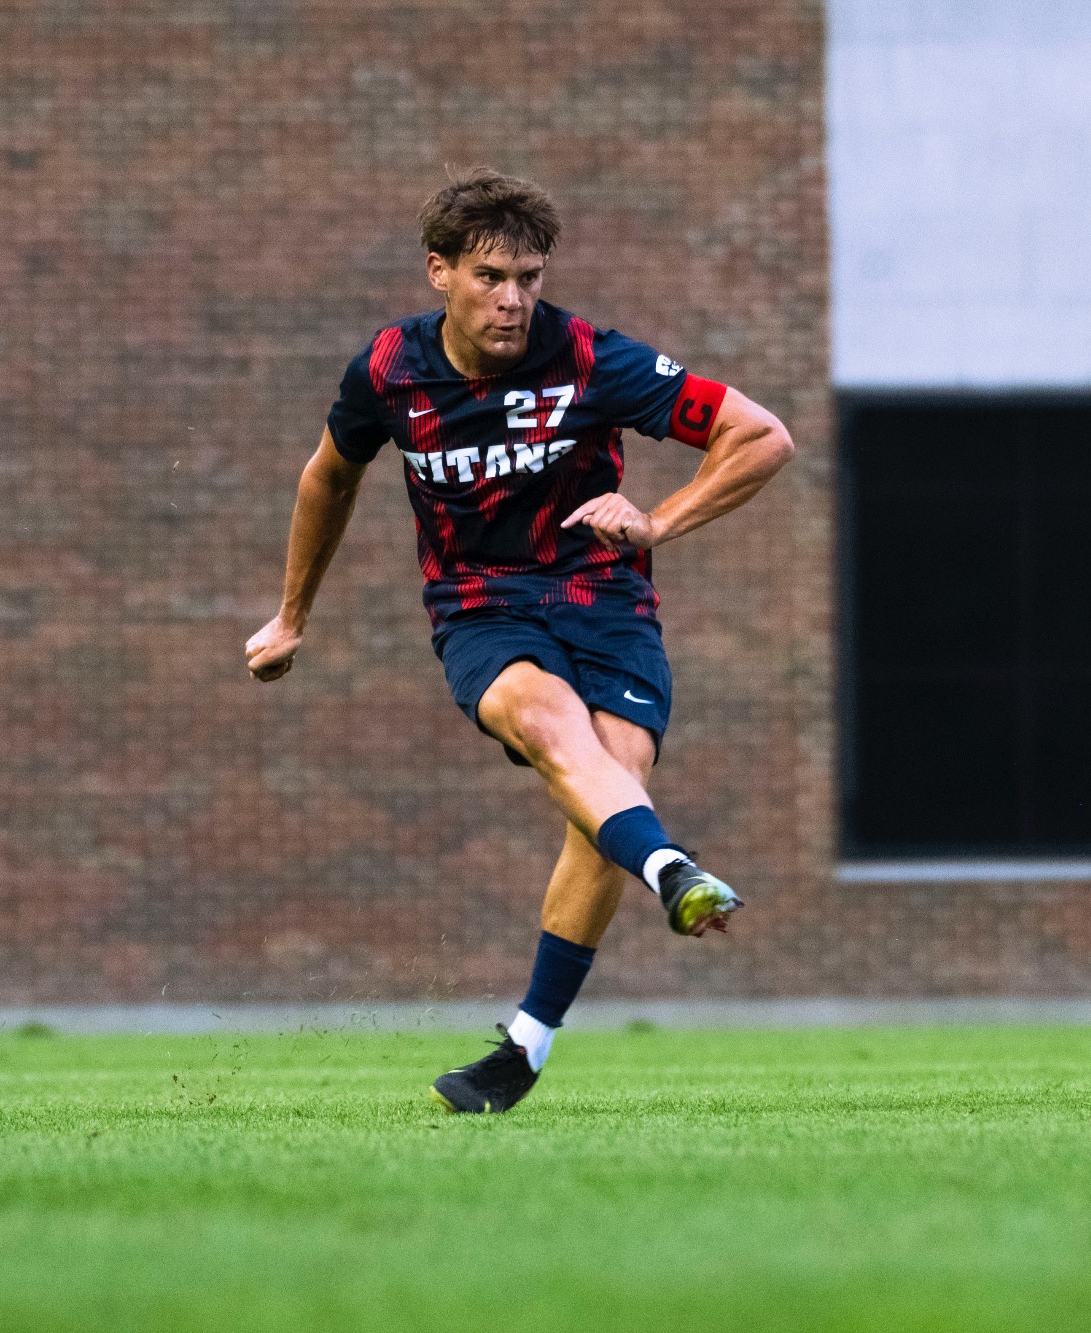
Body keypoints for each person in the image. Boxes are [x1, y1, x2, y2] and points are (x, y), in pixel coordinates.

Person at [244, 169, 795, 1113]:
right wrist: (293, 614)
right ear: (439, 272)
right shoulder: (388, 371)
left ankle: (522, 1052)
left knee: (606, 795)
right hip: (480, 606)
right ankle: (673, 870)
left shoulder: (592, 360)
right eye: (491, 276)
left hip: (607, 602)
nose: (512, 299)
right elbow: (326, 480)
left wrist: (658, 520)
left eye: (529, 278)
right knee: (551, 729)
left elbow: (762, 436)